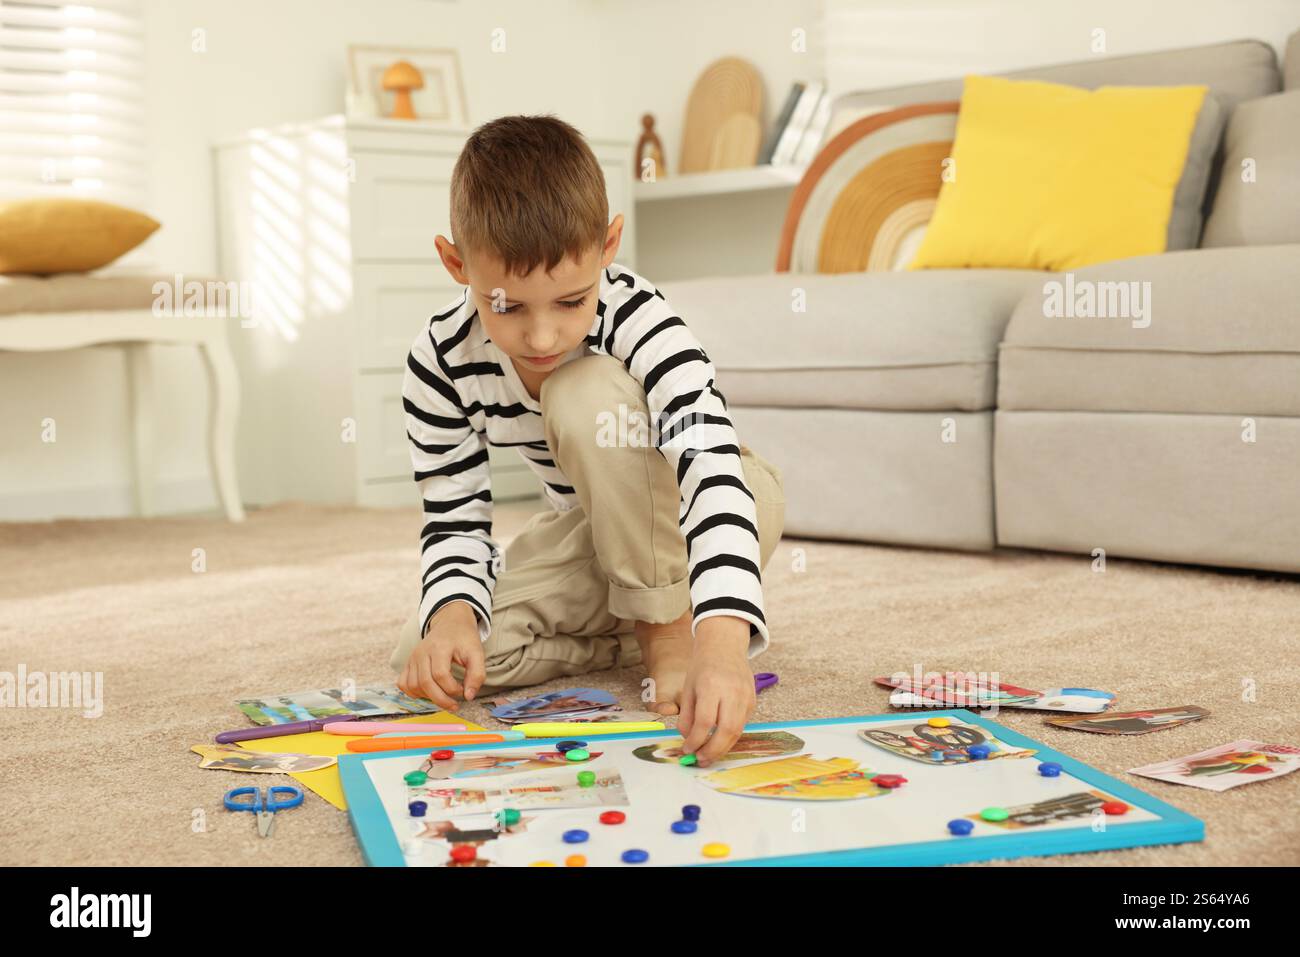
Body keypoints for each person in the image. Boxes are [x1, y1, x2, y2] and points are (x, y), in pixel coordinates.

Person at [390, 114, 784, 764]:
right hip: (594, 541)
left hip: (717, 502)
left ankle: (670, 626)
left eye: (570, 302)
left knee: (577, 390)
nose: (542, 338)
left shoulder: (643, 318)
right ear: (456, 264)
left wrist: (719, 639)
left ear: (608, 247)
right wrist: (455, 611)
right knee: (428, 656)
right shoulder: (437, 361)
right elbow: (455, 519)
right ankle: (641, 624)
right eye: (508, 306)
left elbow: (708, 463)